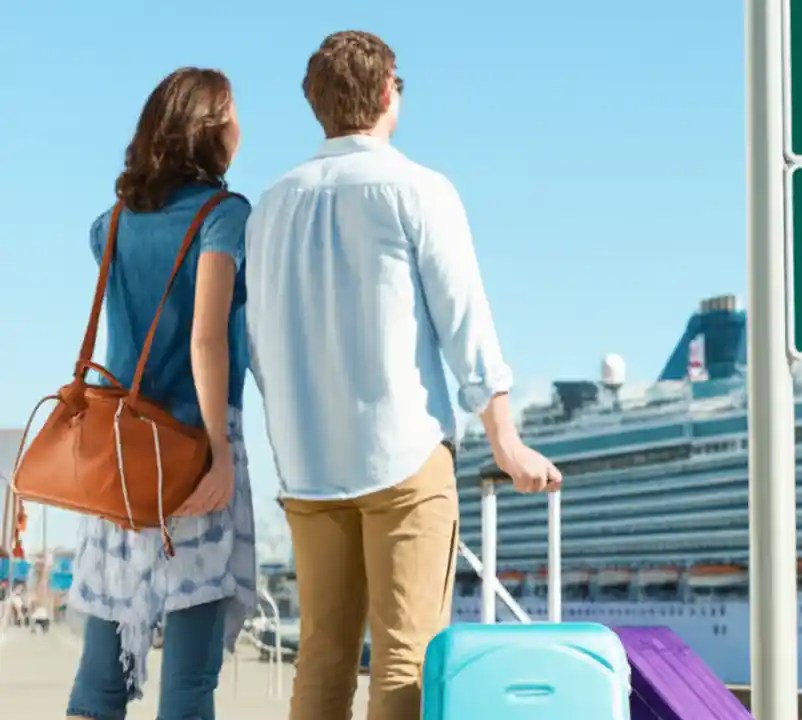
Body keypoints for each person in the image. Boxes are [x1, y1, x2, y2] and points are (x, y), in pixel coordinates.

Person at [245, 30, 561, 720]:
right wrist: (504, 440)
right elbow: (464, 319)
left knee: (322, 658)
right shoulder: (418, 188)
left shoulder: (269, 206)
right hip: (402, 454)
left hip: (306, 464)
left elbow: (258, 340)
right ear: (389, 91)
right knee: (405, 658)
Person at [65, 67, 257, 720]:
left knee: (101, 676)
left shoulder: (111, 224)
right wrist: (220, 453)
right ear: (212, 128)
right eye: (234, 113)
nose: (242, 127)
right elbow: (207, 337)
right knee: (188, 681)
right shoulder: (224, 215)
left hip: (119, 453)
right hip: (191, 446)